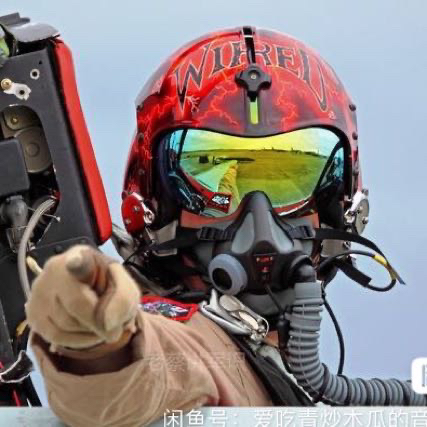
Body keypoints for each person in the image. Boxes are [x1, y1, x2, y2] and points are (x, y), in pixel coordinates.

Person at [25, 26, 417, 427]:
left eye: (291, 179)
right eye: (213, 182)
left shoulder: (265, 365)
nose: (260, 219)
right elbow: (142, 375)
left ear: (335, 204)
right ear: (159, 202)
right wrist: (99, 336)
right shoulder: (199, 345)